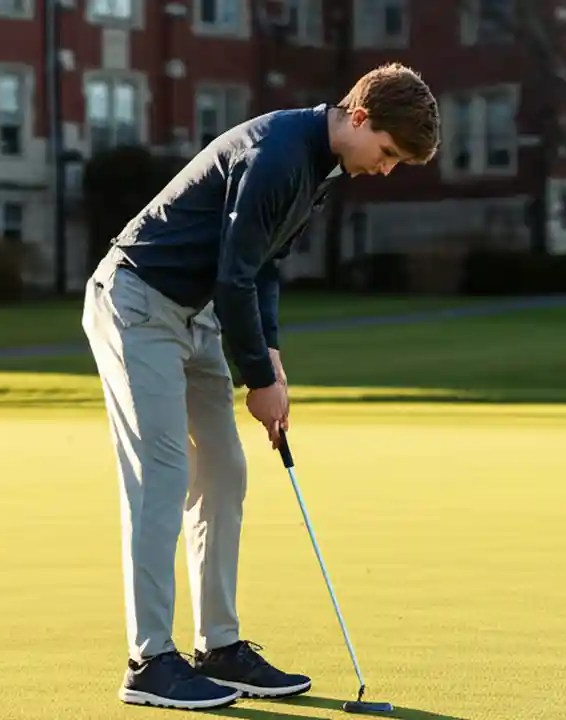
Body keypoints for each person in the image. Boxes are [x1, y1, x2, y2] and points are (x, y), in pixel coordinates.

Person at [81, 63, 440, 710]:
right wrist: (257, 380)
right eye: (386, 153)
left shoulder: (319, 166)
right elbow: (234, 275)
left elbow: (265, 265)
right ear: (359, 118)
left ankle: (218, 647)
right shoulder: (278, 155)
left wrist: (270, 359)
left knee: (223, 472)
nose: (385, 169)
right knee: (162, 474)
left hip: (194, 314)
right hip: (135, 303)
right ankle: (148, 661)